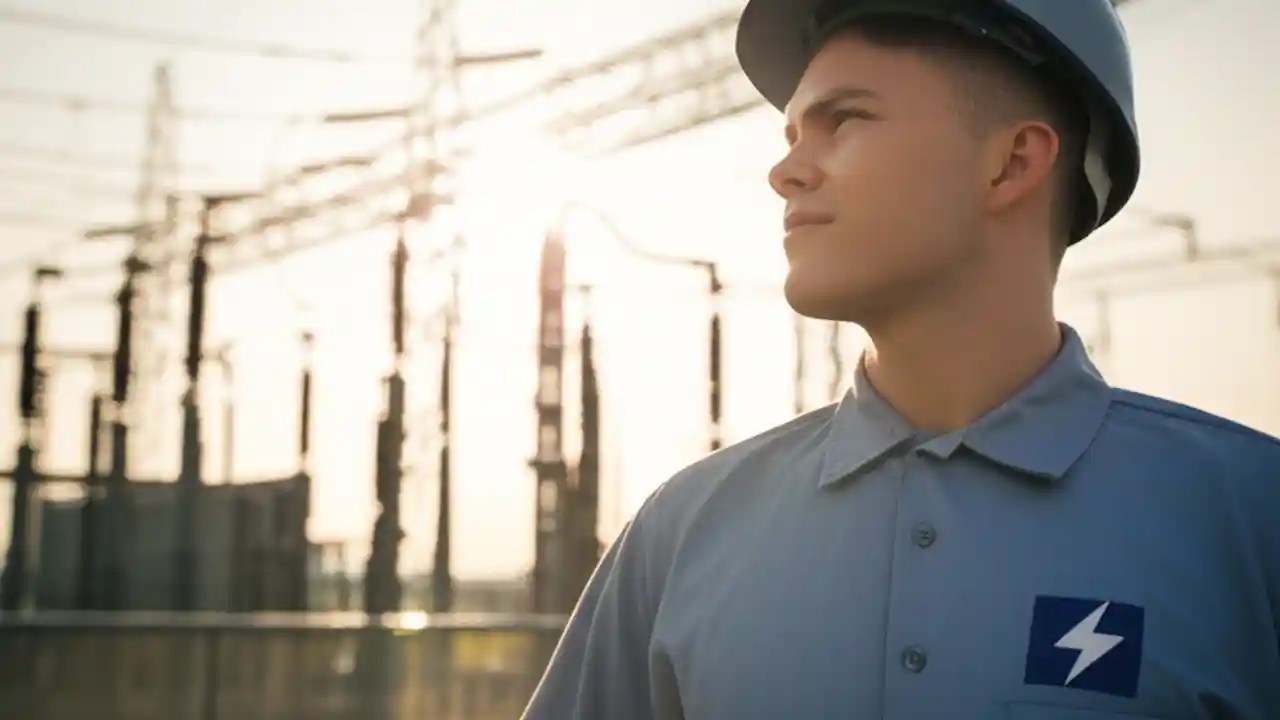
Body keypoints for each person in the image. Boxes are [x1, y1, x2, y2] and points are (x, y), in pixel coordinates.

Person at [522, 0, 1280, 717]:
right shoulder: (681, 534)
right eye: (791, 136)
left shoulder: (1249, 520)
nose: (785, 172)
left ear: (1014, 162)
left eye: (843, 119)